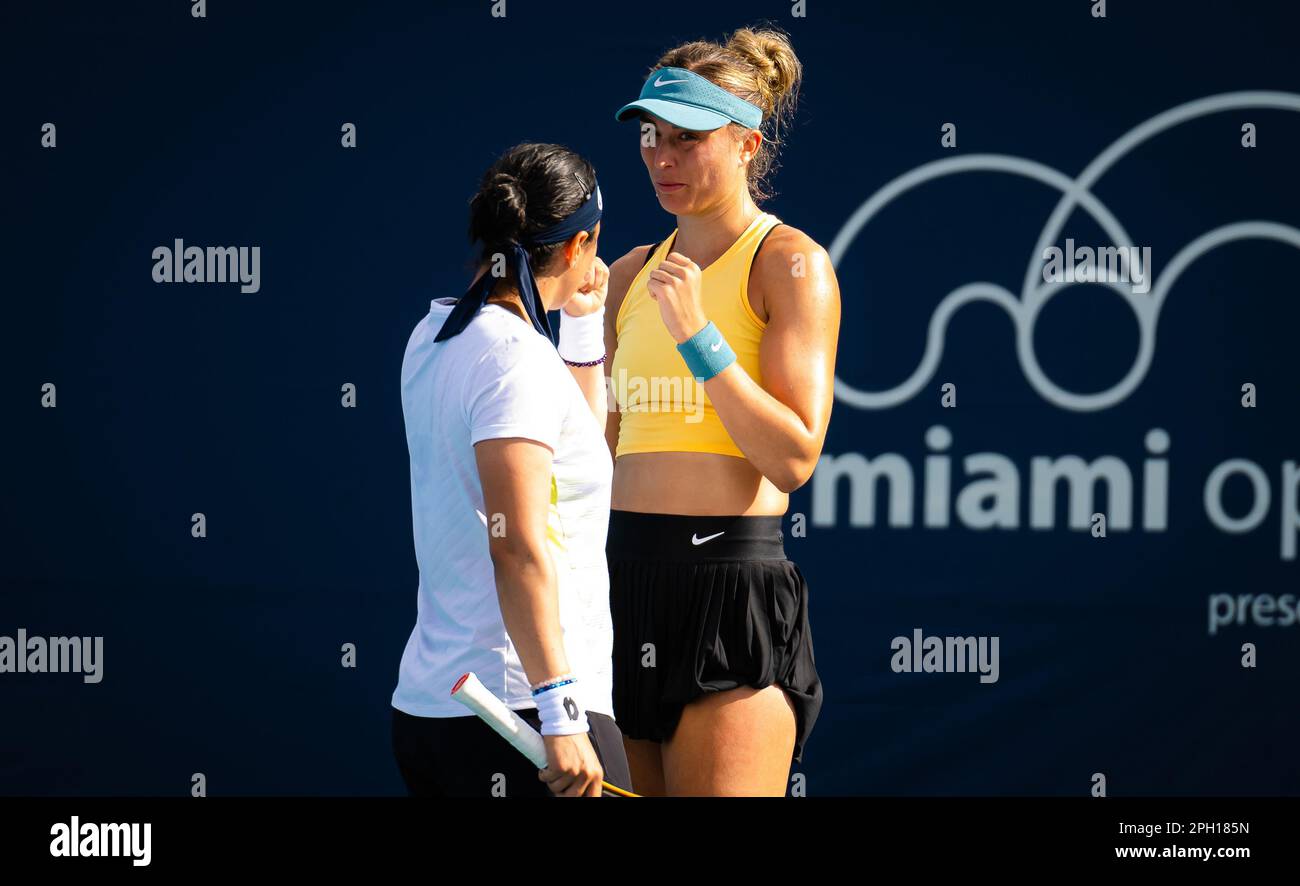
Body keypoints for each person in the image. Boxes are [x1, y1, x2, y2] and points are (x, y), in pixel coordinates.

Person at [602, 27, 841, 796]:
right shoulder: (627, 274)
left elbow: (794, 457)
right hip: (617, 588)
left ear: (746, 143)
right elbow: (600, 447)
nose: (661, 158)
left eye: (688, 139)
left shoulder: (790, 264)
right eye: (652, 137)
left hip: (728, 591)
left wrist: (700, 338)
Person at [390, 142, 631, 797]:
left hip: (441, 711)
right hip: (522, 715)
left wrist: (583, 326)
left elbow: (575, 459)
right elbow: (518, 543)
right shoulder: (513, 359)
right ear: (583, 242)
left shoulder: (434, 336)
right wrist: (561, 711)